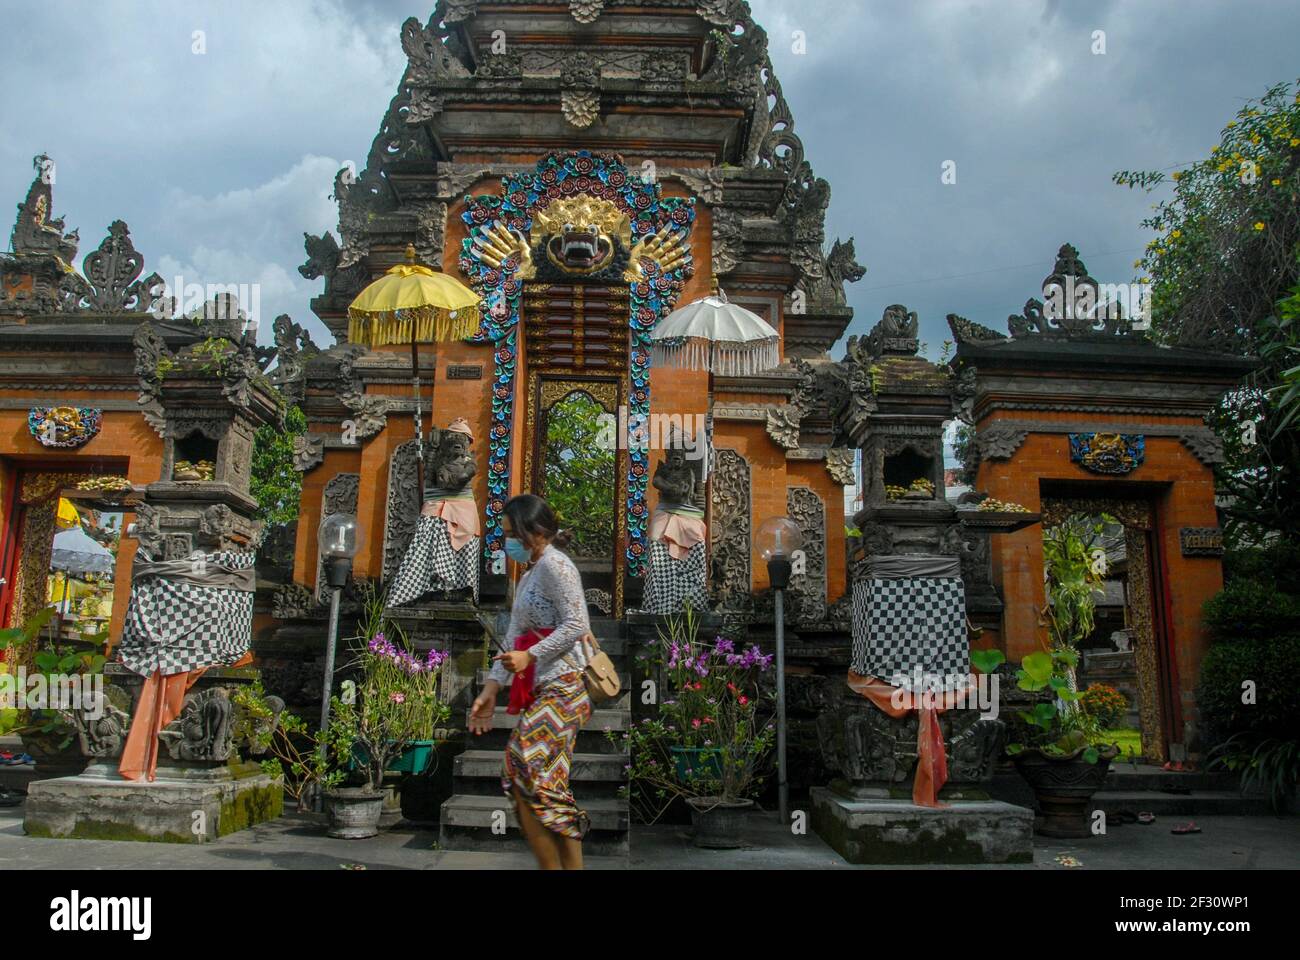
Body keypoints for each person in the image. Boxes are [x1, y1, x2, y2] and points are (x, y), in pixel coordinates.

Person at [468, 494, 593, 869]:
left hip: (567, 684)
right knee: (537, 784)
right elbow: (513, 636)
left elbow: (578, 625)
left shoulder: (558, 566)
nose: (507, 542)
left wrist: (531, 655)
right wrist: (491, 689)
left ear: (534, 531)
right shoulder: (529, 575)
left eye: (511, 534)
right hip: (544, 687)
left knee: (523, 765)